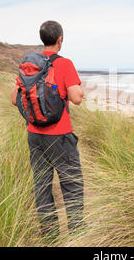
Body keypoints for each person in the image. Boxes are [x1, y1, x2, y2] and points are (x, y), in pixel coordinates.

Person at [11, 20, 85, 240]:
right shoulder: (64, 64)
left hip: (34, 136)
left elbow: (14, 100)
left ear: (42, 38)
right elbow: (77, 98)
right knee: (71, 185)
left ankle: (50, 237)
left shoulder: (29, 66)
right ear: (60, 40)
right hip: (60, 136)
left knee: (42, 185)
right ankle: (77, 235)